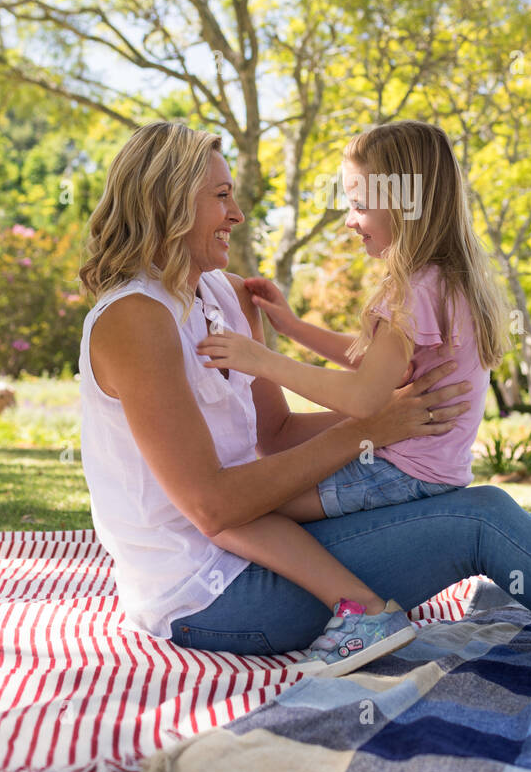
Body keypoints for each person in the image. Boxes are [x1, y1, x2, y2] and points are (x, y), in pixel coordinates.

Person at [78, 121, 531, 698]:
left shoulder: (221, 295)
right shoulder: (134, 320)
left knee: (487, 511)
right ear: (169, 202)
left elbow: (273, 432)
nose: (237, 213)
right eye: (220, 197)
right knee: (479, 522)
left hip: (266, 545)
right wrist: (371, 426)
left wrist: (397, 414)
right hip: (211, 591)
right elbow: (208, 505)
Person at [195, 121, 509, 673]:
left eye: (361, 205)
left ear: (406, 204)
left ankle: (362, 615)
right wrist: (290, 326)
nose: (349, 220)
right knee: (256, 491)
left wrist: (260, 359)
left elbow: (365, 398)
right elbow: (374, 363)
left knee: (237, 509)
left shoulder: (411, 290)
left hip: (398, 470)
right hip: (434, 468)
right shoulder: (444, 278)